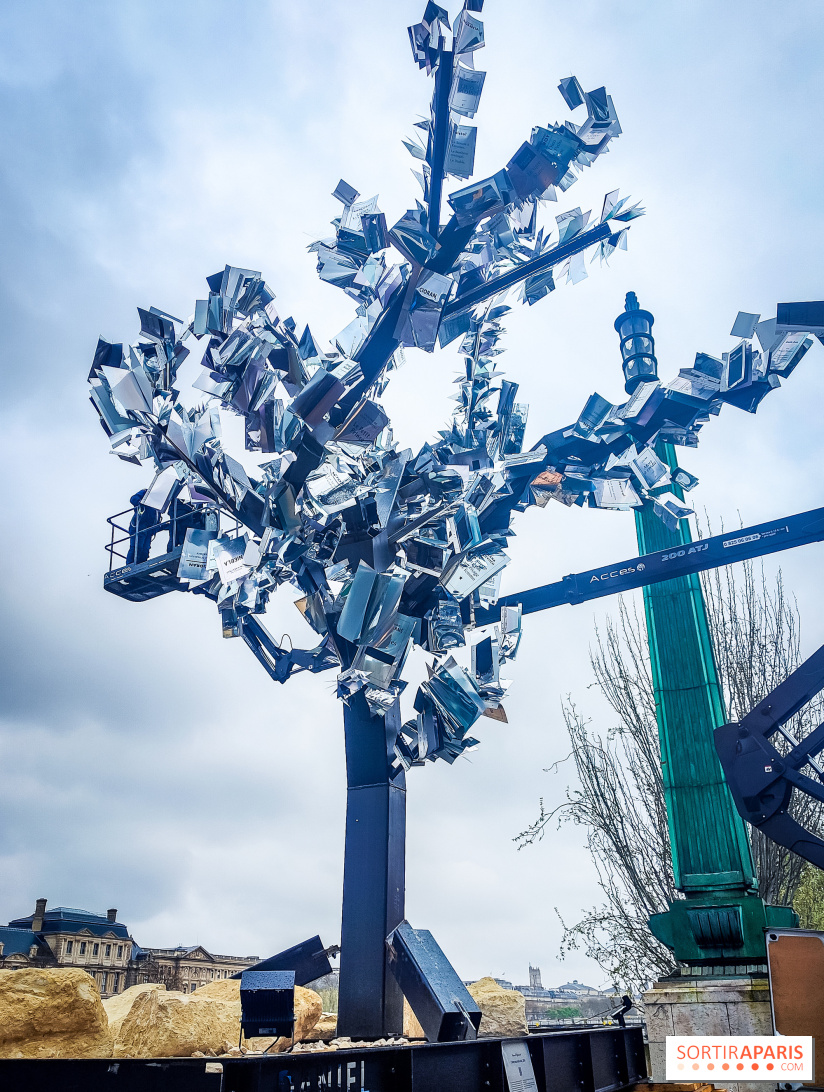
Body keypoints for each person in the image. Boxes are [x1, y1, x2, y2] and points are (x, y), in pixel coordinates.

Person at [126, 490, 161, 565]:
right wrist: (140, 502)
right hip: (139, 526)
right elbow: (133, 499)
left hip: (149, 529)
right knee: (137, 547)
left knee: (145, 549)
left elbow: (157, 521)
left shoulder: (158, 504)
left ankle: (141, 564)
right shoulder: (146, 492)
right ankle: (130, 565)